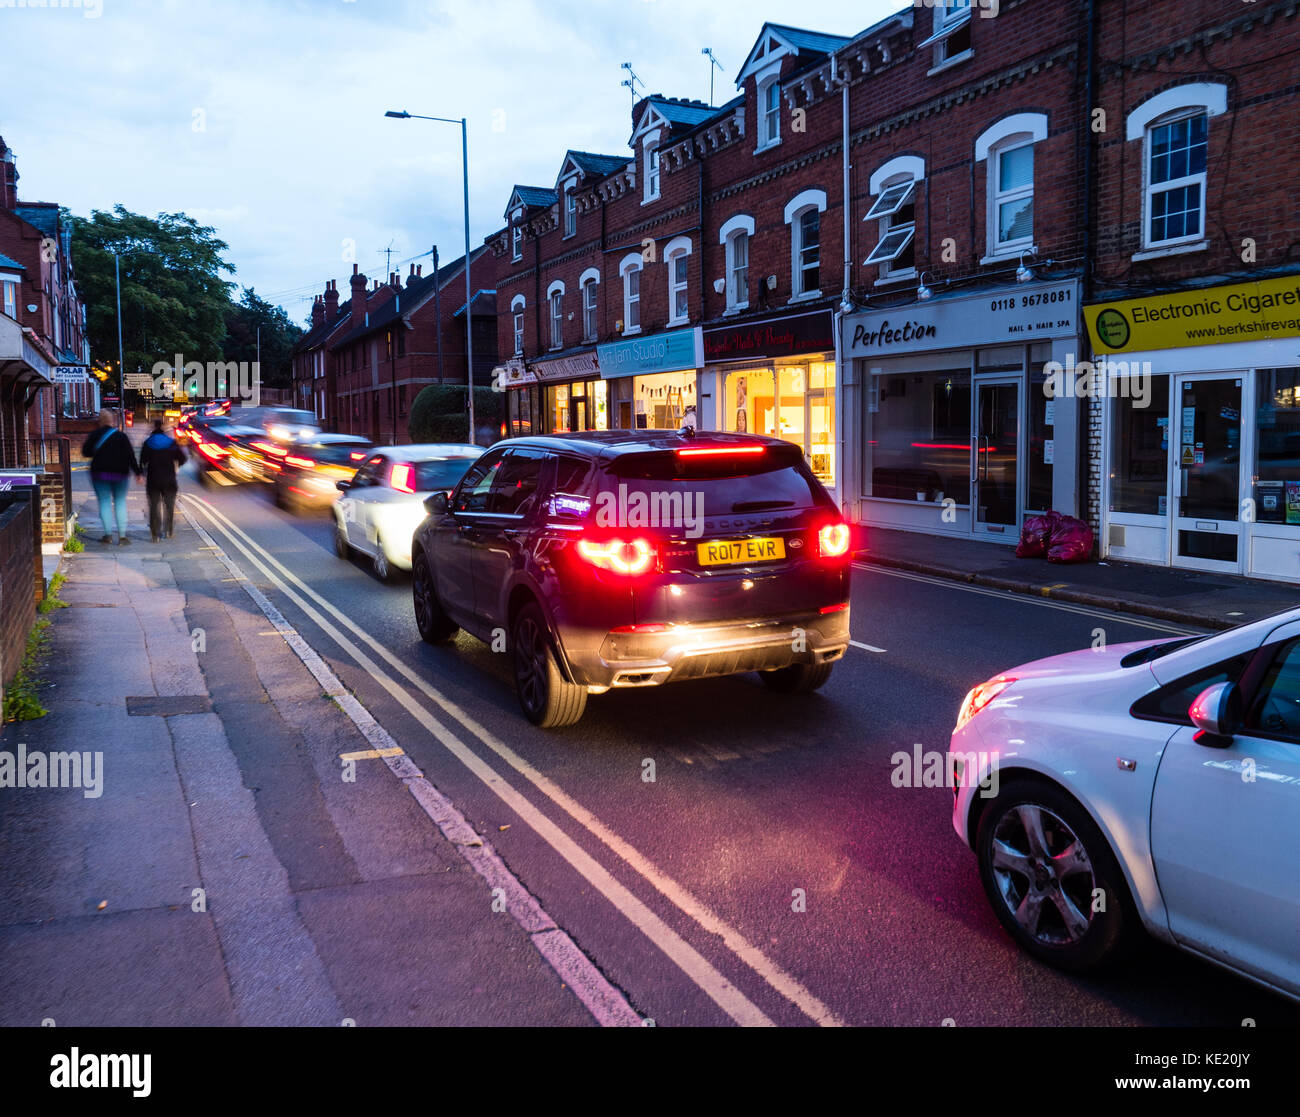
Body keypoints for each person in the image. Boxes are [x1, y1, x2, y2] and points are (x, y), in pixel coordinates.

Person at [81, 408, 140, 546]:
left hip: (99, 474)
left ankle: (108, 535)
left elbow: (86, 452)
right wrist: (138, 473)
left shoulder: (95, 435)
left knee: (104, 503)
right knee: (120, 502)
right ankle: (122, 537)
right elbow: (131, 456)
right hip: (120, 474)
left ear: (99, 421)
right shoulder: (121, 436)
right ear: (112, 421)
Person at [139, 418, 188, 542]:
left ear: (153, 427)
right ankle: (169, 530)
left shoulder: (148, 443)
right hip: (169, 479)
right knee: (169, 505)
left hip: (153, 480)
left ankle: (155, 534)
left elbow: (143, 461)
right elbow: (182, 459)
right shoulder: (171, 443)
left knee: (154, 506)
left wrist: (142, 472)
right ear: (163, 428)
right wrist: (175, 464)